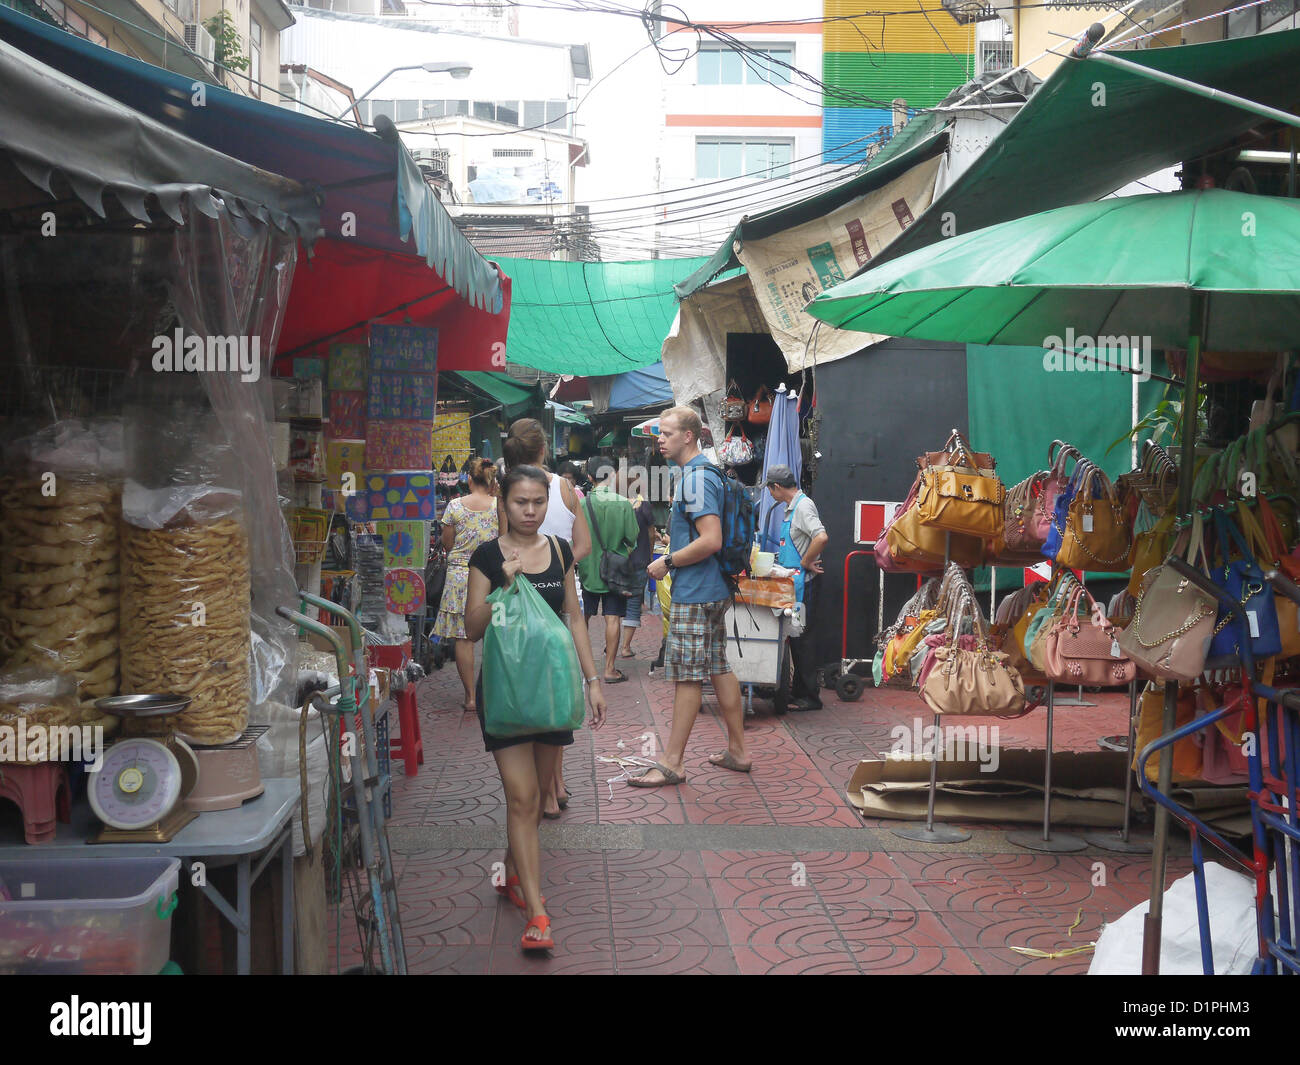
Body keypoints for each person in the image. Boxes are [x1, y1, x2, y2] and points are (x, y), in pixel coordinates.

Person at [465, 465, 606, 952]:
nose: (530, 512)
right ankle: (539, 912)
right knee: (523, 799)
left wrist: (593, 681)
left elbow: (575, 618)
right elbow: (472, 629)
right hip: (504, 692)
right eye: (521, 502)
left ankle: (510, 870)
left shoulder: (560, 552)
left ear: (549, 503)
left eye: (538, 503)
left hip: (550, 690)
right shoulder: (486, 557)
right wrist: (503, 584)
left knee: (536, 797)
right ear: (503, 502)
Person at [636, 406, 750, 787]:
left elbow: (711, 539)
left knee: (687, 678)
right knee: (718, 668)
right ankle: (738, 751)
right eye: (659, 433)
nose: (660, 440)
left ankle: (672, 762)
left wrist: (667, 561)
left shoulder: (695, 480)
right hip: (713, 589)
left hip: (696, 592)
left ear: (689, 436)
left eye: (667, 433)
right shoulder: (705, 474)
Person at [501, 418, 590, 818]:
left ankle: (549, 789)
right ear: (543, 450)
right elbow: (585, 544)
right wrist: (560, 567)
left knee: (532, 696)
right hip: (562, 606)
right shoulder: (565, 488)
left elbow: (504, 552)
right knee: (556, 696)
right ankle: (554, 788)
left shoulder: (510, 495)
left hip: (520, 607)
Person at [432, 458, 501, 711]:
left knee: (464, 639)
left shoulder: (454, 506)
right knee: (497, 634)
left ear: (469, 480)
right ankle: (494, 695)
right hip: (493, 577)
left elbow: (448, 543)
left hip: (461, 577)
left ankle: (471, 697)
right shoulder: (499, 506)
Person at [764, 464, 829, 711]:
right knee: (797, 637)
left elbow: (821, 537)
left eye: (770, 489)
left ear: (777, 487)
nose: (770, 494)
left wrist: (805, 561)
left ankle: (810, 697)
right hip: (793, 583)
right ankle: (798, 691)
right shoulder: (792, 508)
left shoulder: (803, 506)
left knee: (803, 639)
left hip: (805, 585)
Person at [576, 456, 638, 685]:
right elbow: (632, 539)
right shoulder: (623, 503)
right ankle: (610, 669)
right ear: (612, 476)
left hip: (588, 569)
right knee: (613, 619)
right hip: (615, 573)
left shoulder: (580, 504)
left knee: (583, 617)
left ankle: (582, 666)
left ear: (590, 478)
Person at [618, 479, 658, 661]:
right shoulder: (644, 506)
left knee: (613, 603)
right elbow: (650, 533)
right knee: (634, 602)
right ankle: (625, 647)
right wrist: (649, 555)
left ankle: (611, 644)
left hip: (617, 562)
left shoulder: (615, 504)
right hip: (640, 560)